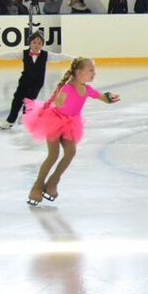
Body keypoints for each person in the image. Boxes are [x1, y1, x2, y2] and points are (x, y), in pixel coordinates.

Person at [22, 56, 120, 206]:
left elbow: (102, 97)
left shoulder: (87, 89)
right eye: (91, 70)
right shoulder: (68, 87)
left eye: (94, 70)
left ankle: (53, 182)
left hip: (71, 124)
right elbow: (59, 102)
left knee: (70, 152)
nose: (94, 73)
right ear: (79, 72)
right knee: (53, 155)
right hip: (55, 121)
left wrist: (110, 98)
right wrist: (60, 97)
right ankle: (37, 186)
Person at [0, 32, 75, 130]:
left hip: (37, 83)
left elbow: (61, 56)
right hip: (24, 81)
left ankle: (25, 116)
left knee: (29, 99)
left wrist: (75, 59)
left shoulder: (46, 55)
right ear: (30, 43)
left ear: (42, 44)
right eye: (34, 42)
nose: (37, 45)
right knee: (17, 100)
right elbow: (11, 54)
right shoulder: (23, 53)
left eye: (39, 43)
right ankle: (10, 121)